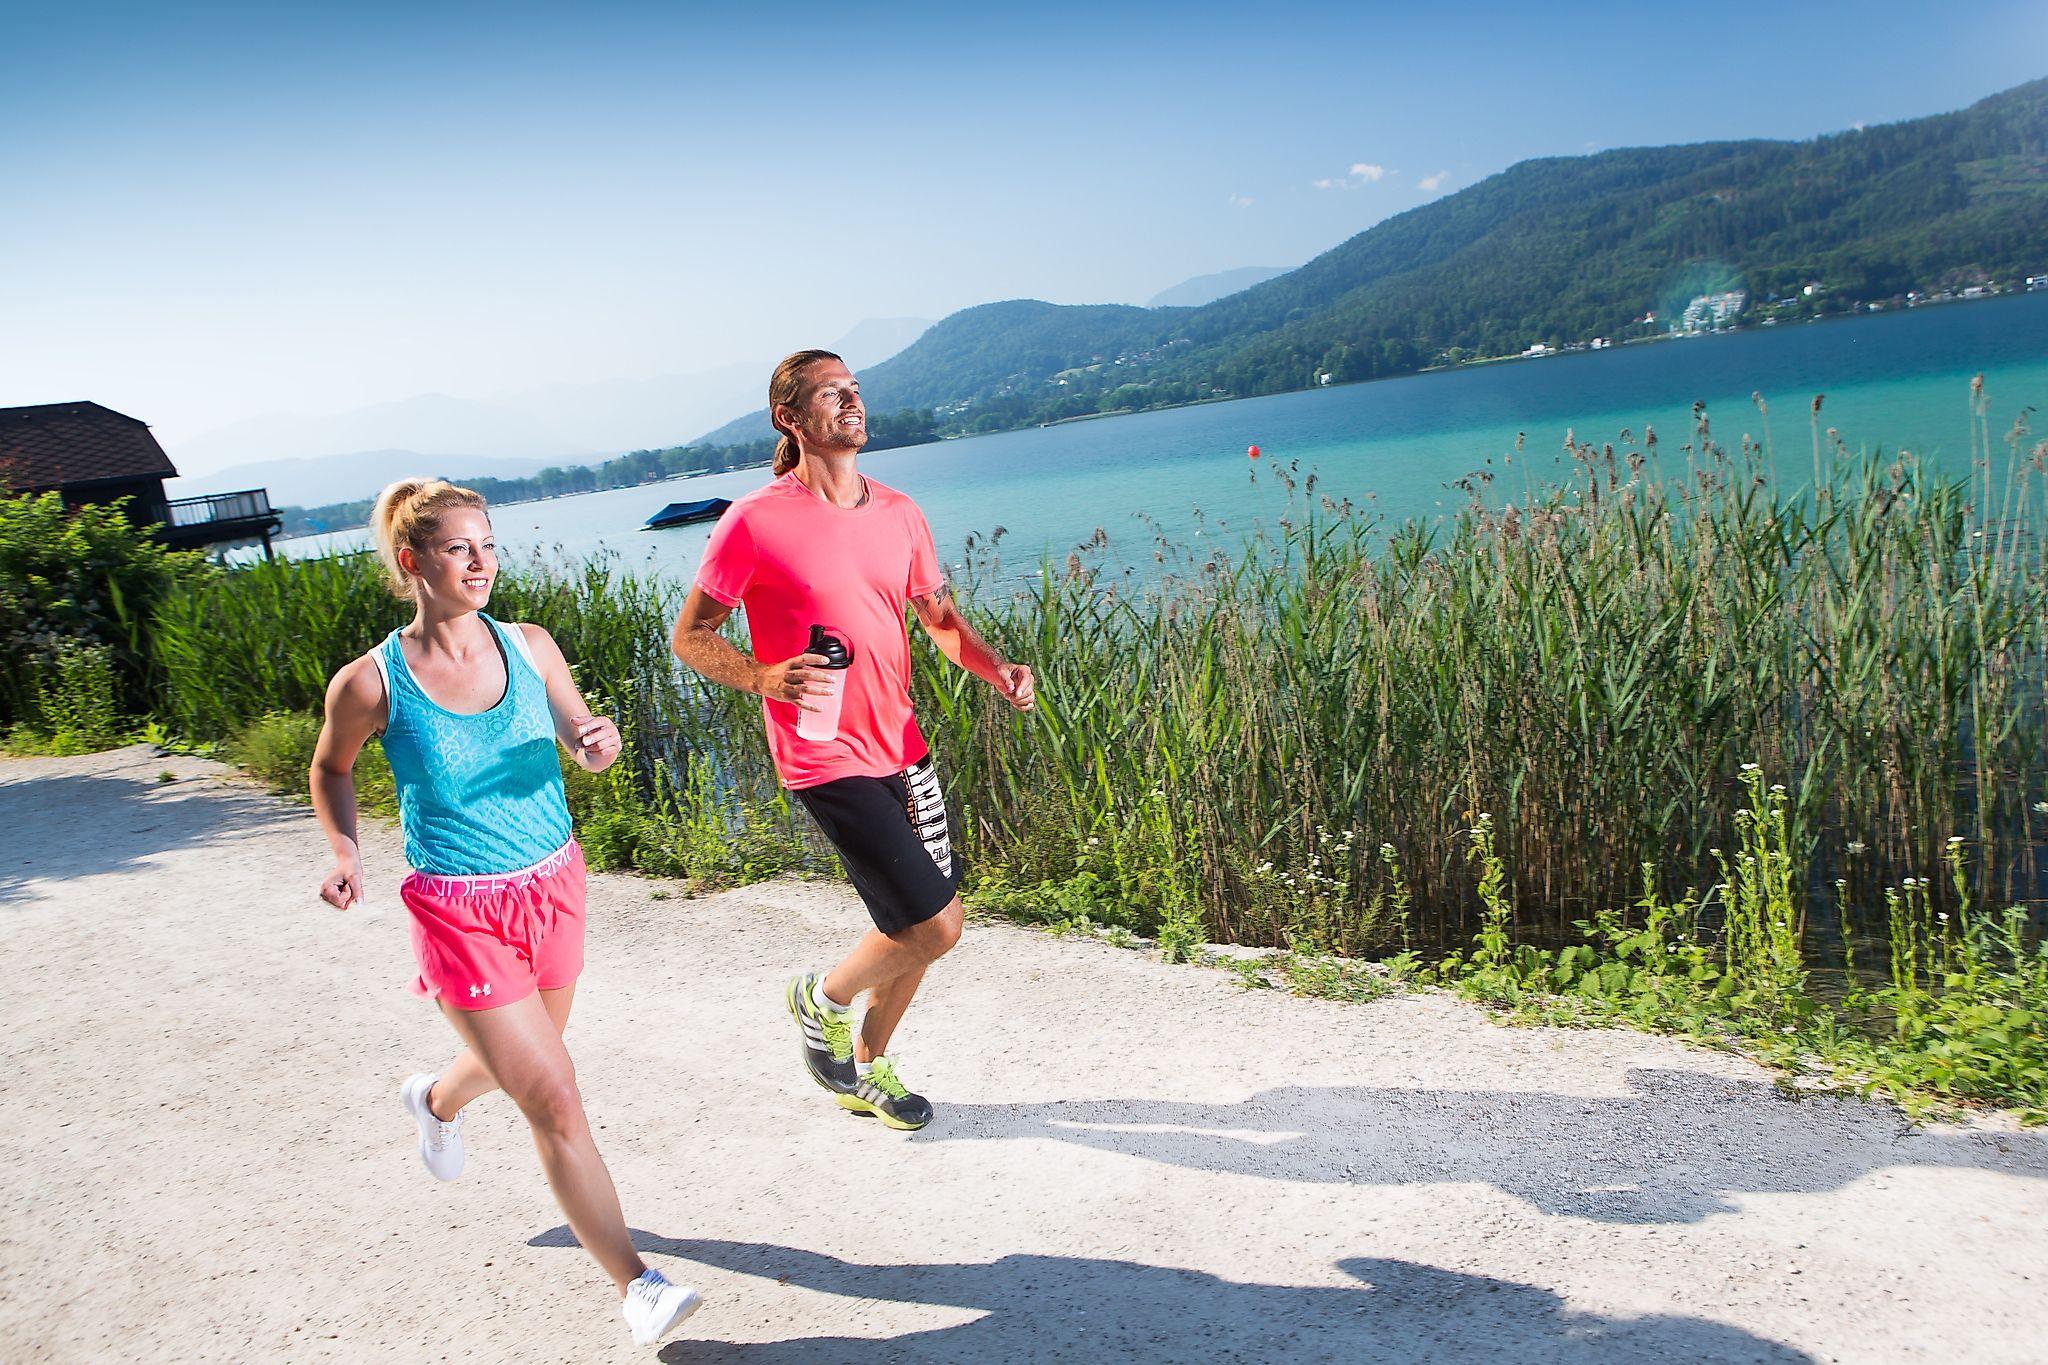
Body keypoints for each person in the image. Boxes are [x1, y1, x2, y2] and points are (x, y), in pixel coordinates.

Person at [309, 479, 701, 1349]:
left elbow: (582, 738)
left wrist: (597, 742)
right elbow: (330, 767)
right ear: (413, 561)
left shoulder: (530, 644)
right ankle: (637, 1284)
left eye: (487, 544)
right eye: (460, 547)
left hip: (554, 885)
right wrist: (344, 852)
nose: (481, 562)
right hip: (459, 910)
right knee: (553, 1093)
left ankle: (435, 1099)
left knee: (533, 1056)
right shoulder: (372, 682)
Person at [671, 350, 1035, 1132]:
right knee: (937, 923)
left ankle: (867, 1066)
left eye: (855, 391)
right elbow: (691, 635)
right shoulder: (754, 521)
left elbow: (939, 619)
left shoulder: (900, 512)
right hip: (822, 754)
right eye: (831, 394)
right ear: (790, 418)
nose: (852, 402)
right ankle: (823, 998)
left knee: (917, 926)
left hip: (901, 743)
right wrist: (764, 677)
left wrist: (997, 667)